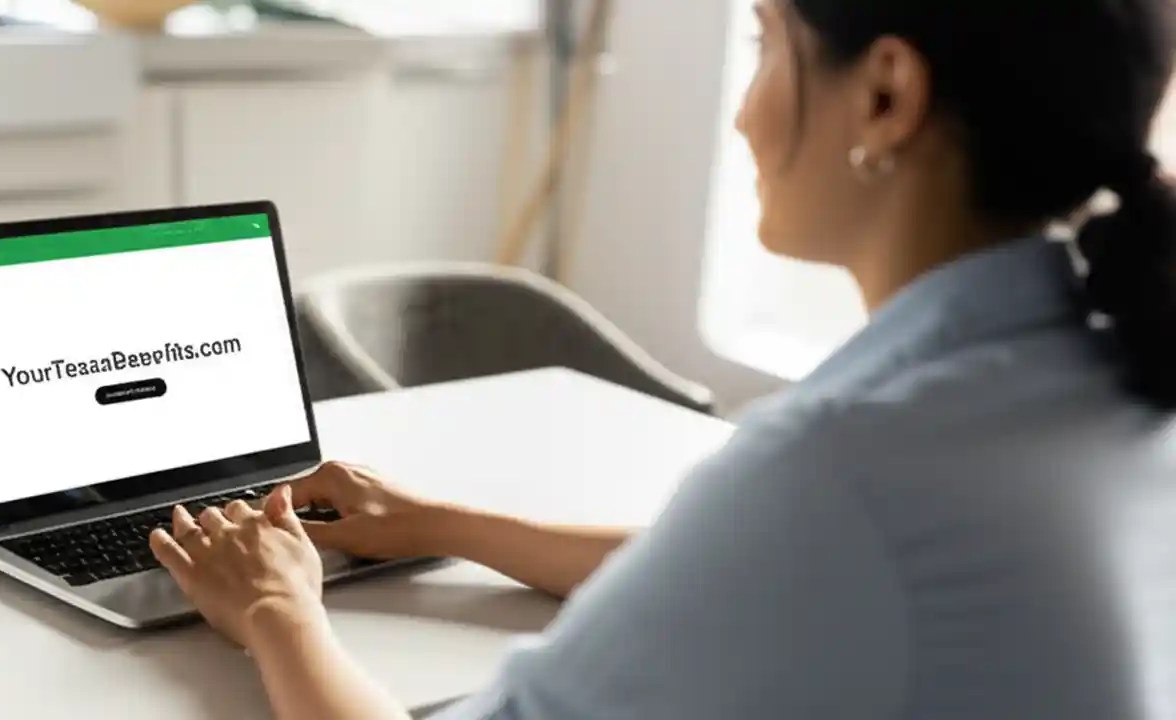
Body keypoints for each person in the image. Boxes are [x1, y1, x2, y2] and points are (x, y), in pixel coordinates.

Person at [147, 0, 1176, 717]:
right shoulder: (1098, 368)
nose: (743, 112)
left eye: (763, 44)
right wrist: (443, 524)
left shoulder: (839, 465)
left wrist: (276, 609)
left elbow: (798, 534)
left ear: (885, 95)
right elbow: (756, 572)